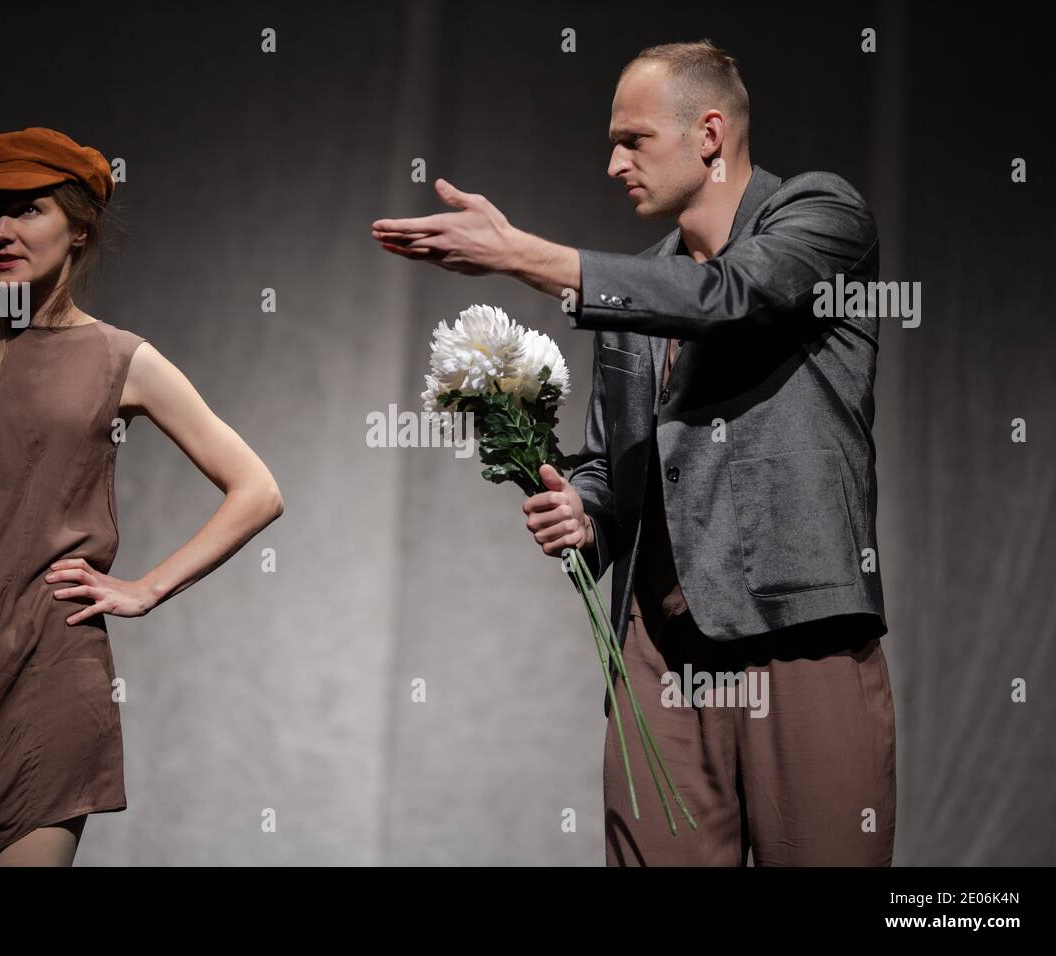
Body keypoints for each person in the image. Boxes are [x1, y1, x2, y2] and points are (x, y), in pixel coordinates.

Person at [371, 41, 895, 866]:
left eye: (633, 140)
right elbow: (616, 463)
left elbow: (731, 298)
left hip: (796, 635)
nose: (613, 164)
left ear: (710, 134)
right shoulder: (632, 291)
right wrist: (587, 510)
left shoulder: (823, 215)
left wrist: (520, 256)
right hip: (658, 655)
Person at [0, 127, 283, 866]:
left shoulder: (121, 359)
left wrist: (147, 589)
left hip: (46, 678)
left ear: (79, 227)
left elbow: (256, 489)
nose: (1, 231)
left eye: (27, 210)